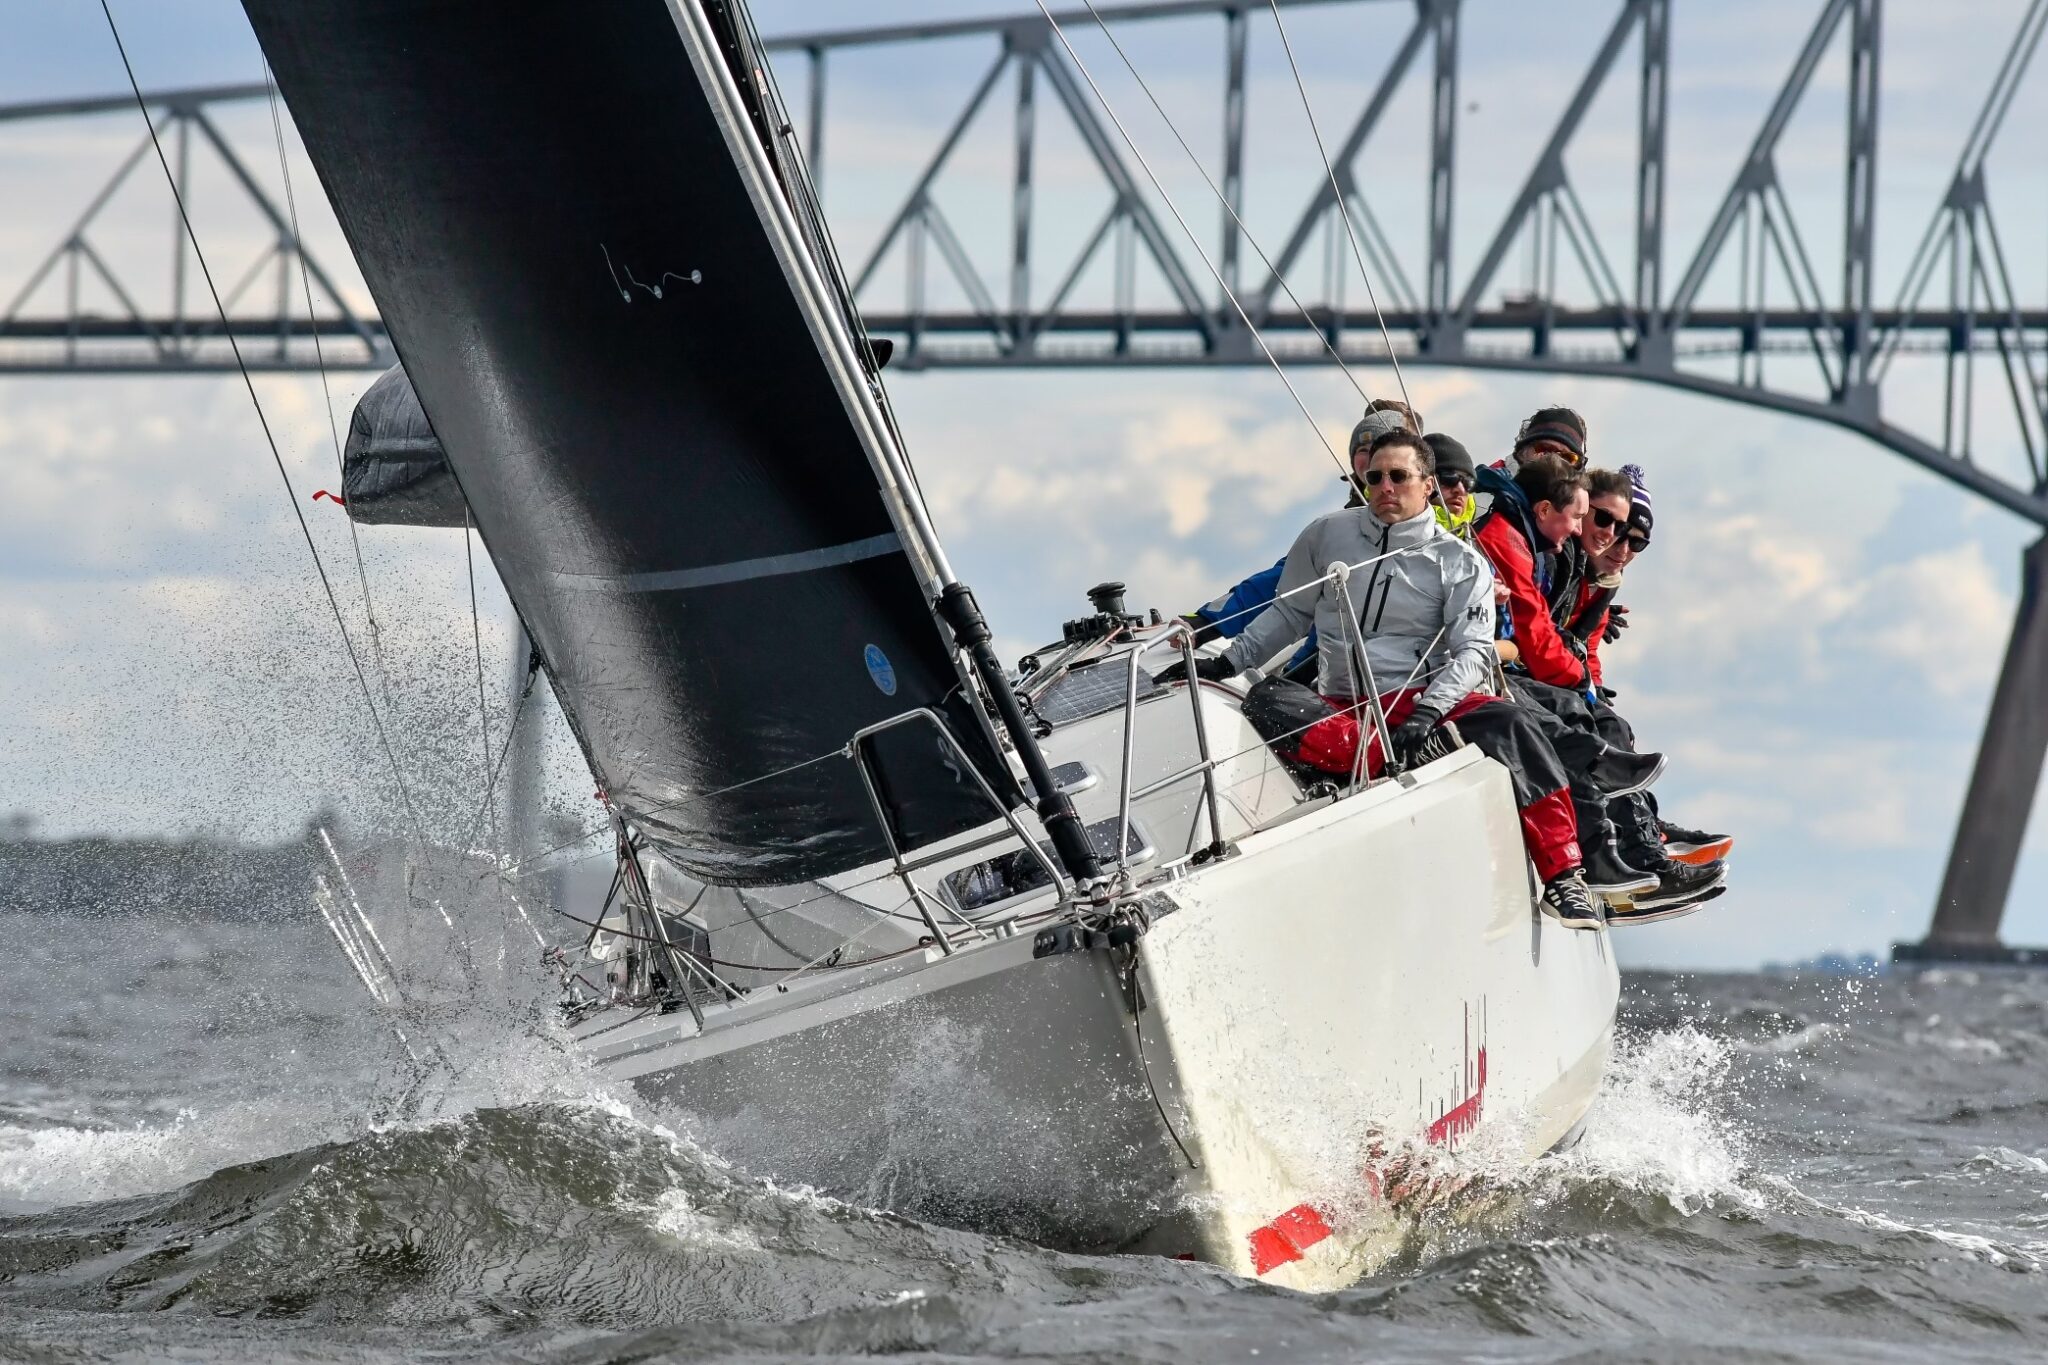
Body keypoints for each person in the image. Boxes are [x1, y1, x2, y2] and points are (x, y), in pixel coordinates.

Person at [1158, 430, 1611, 929]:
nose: (1385, 487)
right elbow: (1287, 616)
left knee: (1513, 725)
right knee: (1266, 698)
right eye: (1375, 477)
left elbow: (1473, 654)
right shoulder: (1325, 536)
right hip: (1340, 705)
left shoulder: (1459, 562)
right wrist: (1223, 664)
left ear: (1427, 484)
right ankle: (1395, 755)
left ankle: (1565, 877)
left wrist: (1427, 712)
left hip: (1419, 702)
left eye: (1399, 476)